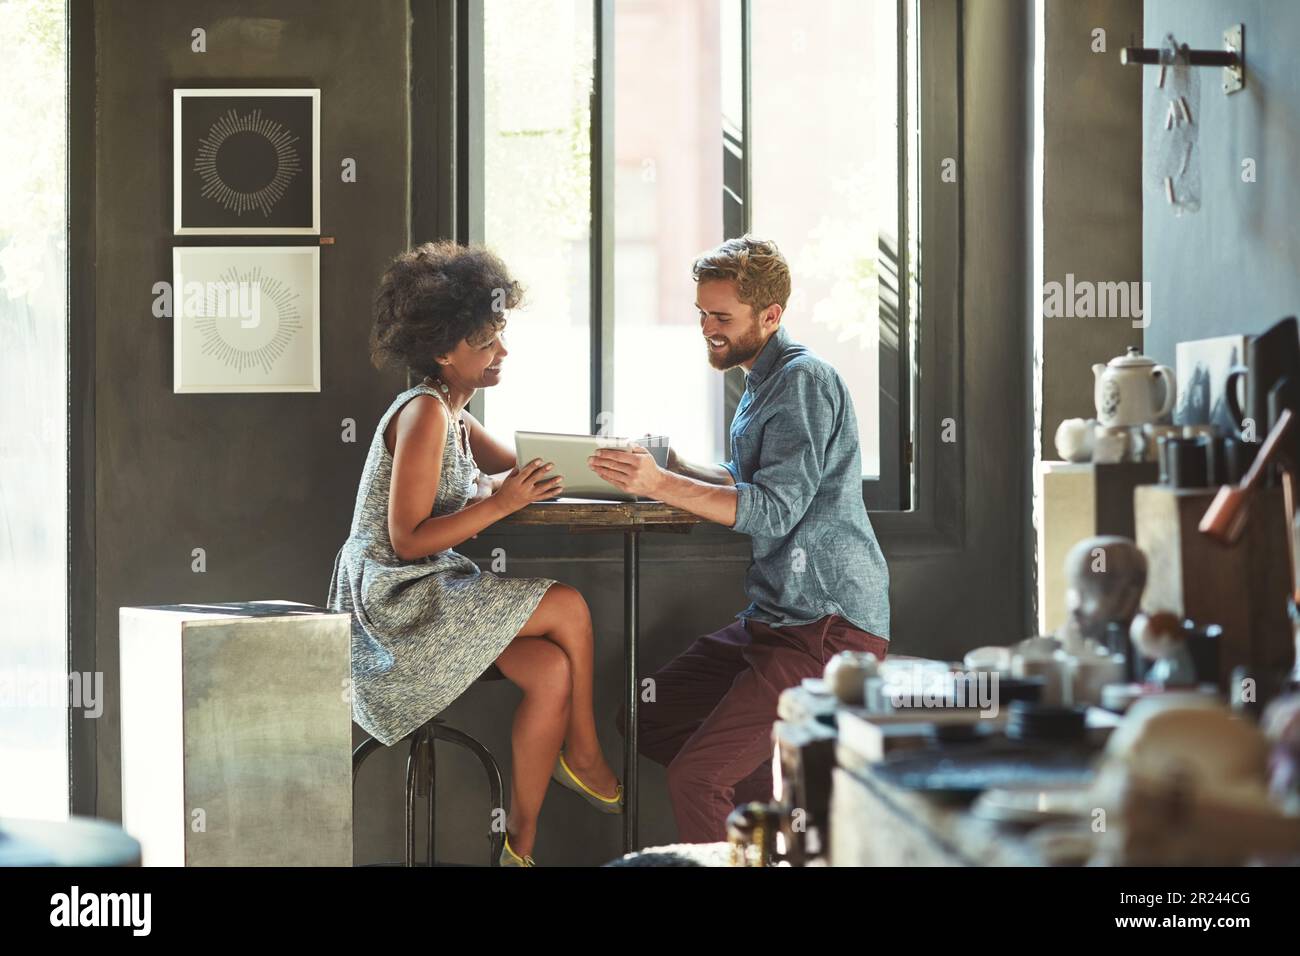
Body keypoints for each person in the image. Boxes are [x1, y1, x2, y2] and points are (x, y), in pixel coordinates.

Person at [328, 240, 622, 867]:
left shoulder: (457, 417)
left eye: (501, 336)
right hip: (393, 602)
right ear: (443, 351)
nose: (502, 352)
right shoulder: (426, 414)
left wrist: (612, 462)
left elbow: (522, 468)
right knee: (567, 606)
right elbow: (405, 539)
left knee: (550, 672)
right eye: (486, 342)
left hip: (433, 589)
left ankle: (519, 842)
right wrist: (498, 503)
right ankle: (587, 752)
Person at [590, 235, 891, 843]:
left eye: (722, 317)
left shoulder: (804, 380)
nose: (707, 328)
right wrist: (671, 464)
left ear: (771, 315)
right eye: (702, 313)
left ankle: (769, 837)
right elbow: (745, 483)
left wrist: (662, 484)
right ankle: (776, 840)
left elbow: (774, 511)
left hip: (825, 625)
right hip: (777, 618)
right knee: (646, 716)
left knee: (697, 780)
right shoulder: (761, 380)